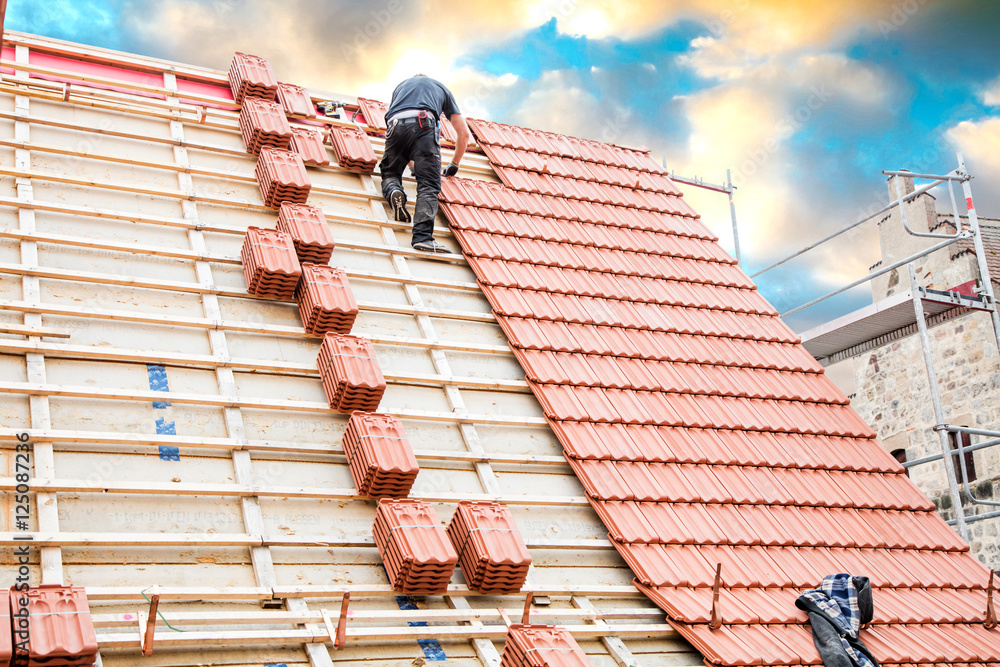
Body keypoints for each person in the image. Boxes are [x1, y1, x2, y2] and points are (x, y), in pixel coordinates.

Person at [378, 74, 470, 253]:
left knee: (390, 172)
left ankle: (394, 191)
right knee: (428, 184)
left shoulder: (400, 87)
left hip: (394, 125)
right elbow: (464, 134)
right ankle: (423, 237)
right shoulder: (441, 88)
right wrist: (455, 163)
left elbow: (405, 138)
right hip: (423, 123)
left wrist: (412, 167)